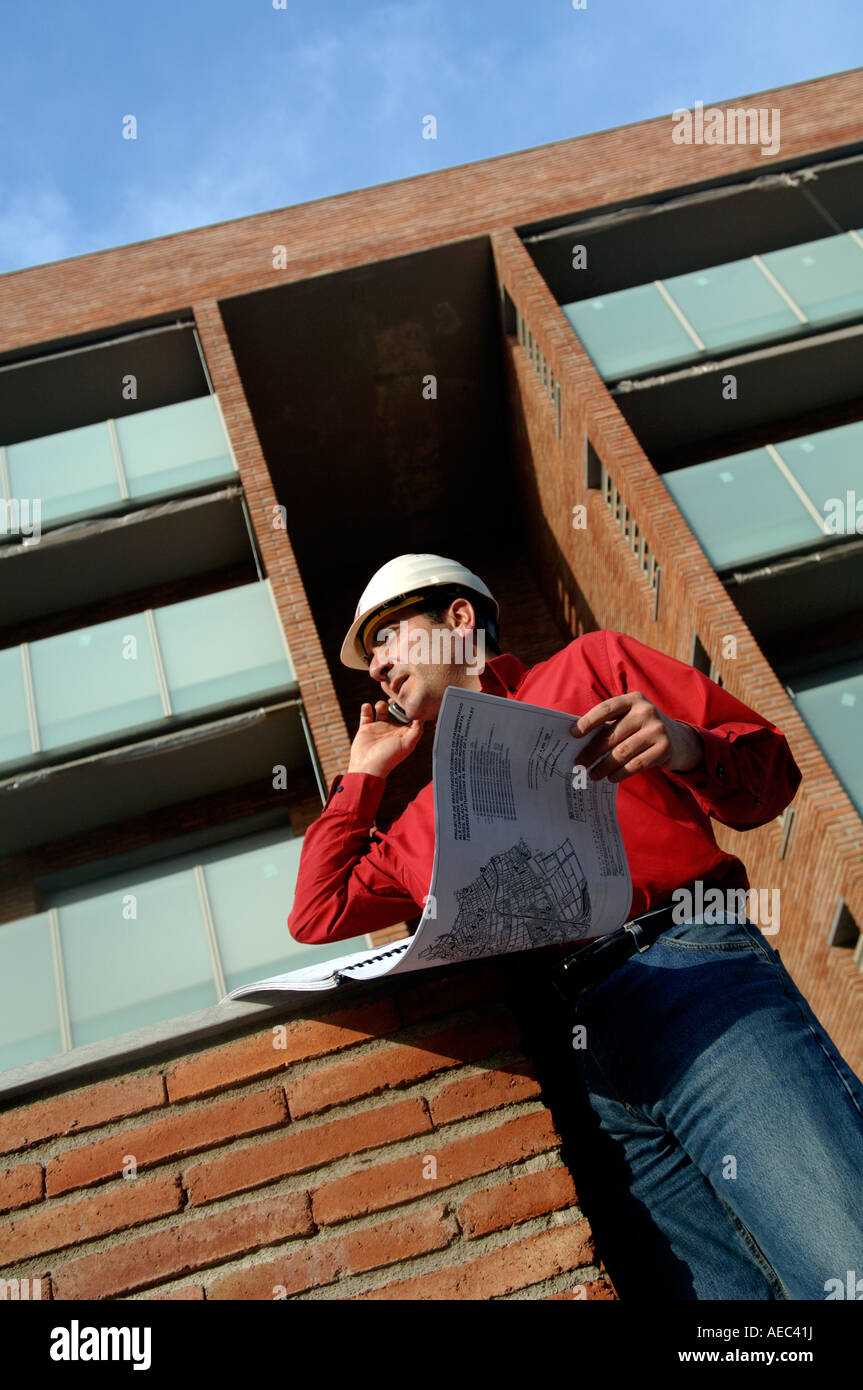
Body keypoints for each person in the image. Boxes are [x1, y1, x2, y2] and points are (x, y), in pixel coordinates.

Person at [288, 552, 863, 1301]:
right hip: (585, 1078)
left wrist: (685, 747)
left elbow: (769, 777)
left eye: (389, 636)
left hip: (693, 983)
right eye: (372, 658)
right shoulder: (420, 822)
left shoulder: (592, 667)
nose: (379, 666)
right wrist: (363, 775)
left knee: (837, 1266)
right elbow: (316, 911)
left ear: (459, 620)